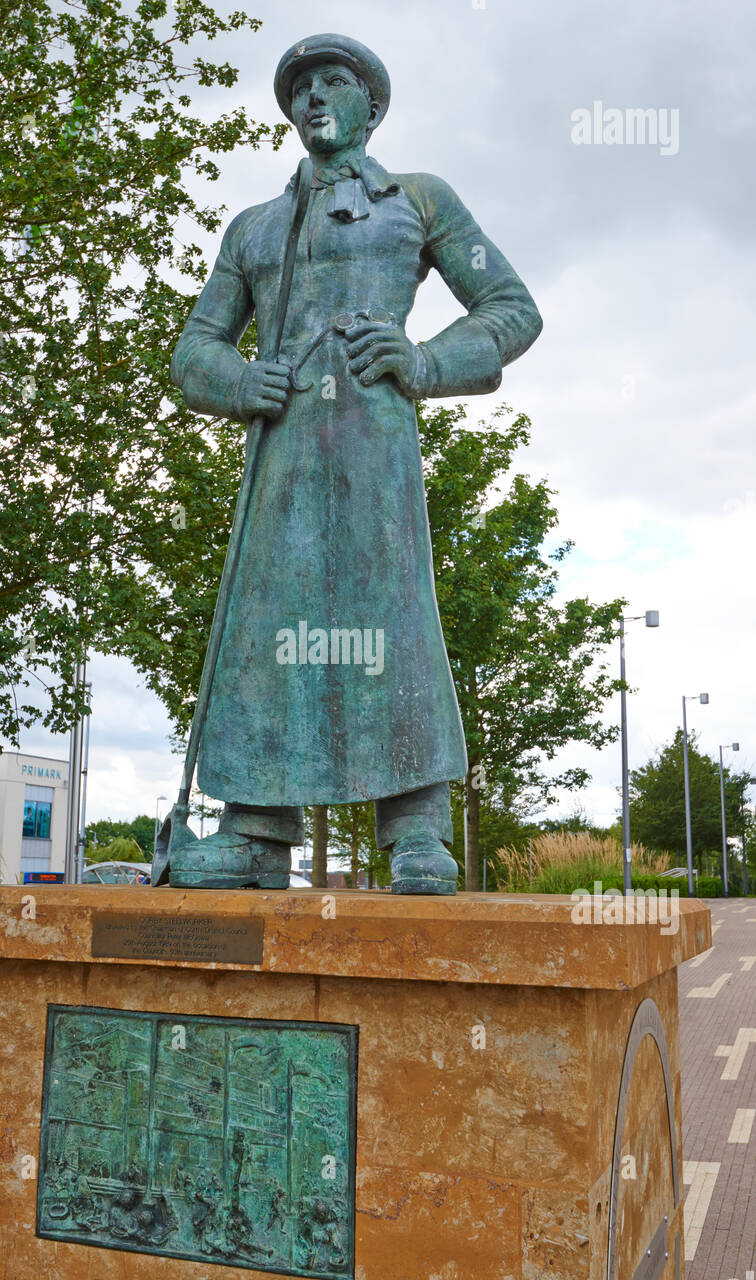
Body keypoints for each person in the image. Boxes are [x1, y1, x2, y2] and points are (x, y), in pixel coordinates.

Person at [162, 34, 542, 895]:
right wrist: (238, 379)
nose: (313, 98)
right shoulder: (255, 226)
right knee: (267, 627)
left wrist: (426, 362)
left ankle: (414, 830)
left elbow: (510, 308)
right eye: (299, 88)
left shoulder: (420, 199)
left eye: (334, 81)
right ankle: (257, 830)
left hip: (373, 449)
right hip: (282, 454)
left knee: (391, 613)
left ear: (372, 104)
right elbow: (195, 348)